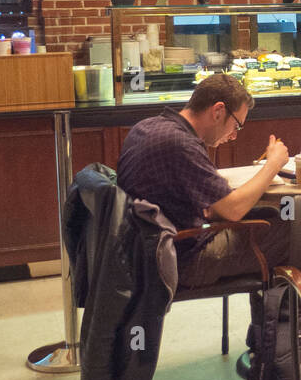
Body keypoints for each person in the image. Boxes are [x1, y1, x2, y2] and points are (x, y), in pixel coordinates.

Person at [117, 74, 291, 286]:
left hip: (144, 249)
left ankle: (279, 315)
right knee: (291, 230)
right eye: (236, 126)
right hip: (180, 258)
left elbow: (212, 206)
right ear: (218, 111)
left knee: (270, 214)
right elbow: (233, 210)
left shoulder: (148, 126)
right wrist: (273, 164)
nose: (234, 136)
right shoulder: (181, 144)